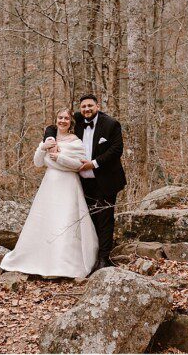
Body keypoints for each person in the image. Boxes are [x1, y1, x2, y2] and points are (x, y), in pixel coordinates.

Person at [0, 108, 98, 278]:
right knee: (46, 220)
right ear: (56, 119)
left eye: (66, 118)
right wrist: (43, 148)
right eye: (60, 117)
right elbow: (38, 163)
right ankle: (39, 259)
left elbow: (77, 165)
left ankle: (64, 264)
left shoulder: (76, 142)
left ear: (70, 122)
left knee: (65, 220)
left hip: (68, 185)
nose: (63, 121)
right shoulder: (49, 139)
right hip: (49, 184)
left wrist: (59, 158)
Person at [70, 93, 127, 272]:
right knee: (89, 219)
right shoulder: (76, 120)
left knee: (105, 219)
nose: (86, 109)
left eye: (90, 106)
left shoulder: (111, 124)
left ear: (98, 106)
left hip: (106, 181)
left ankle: (104, 259)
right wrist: (49, 138)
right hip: (83, 183)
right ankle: (90, 256)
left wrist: (93, 164)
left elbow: (117, 149)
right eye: (83, 106)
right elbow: (55, 125)